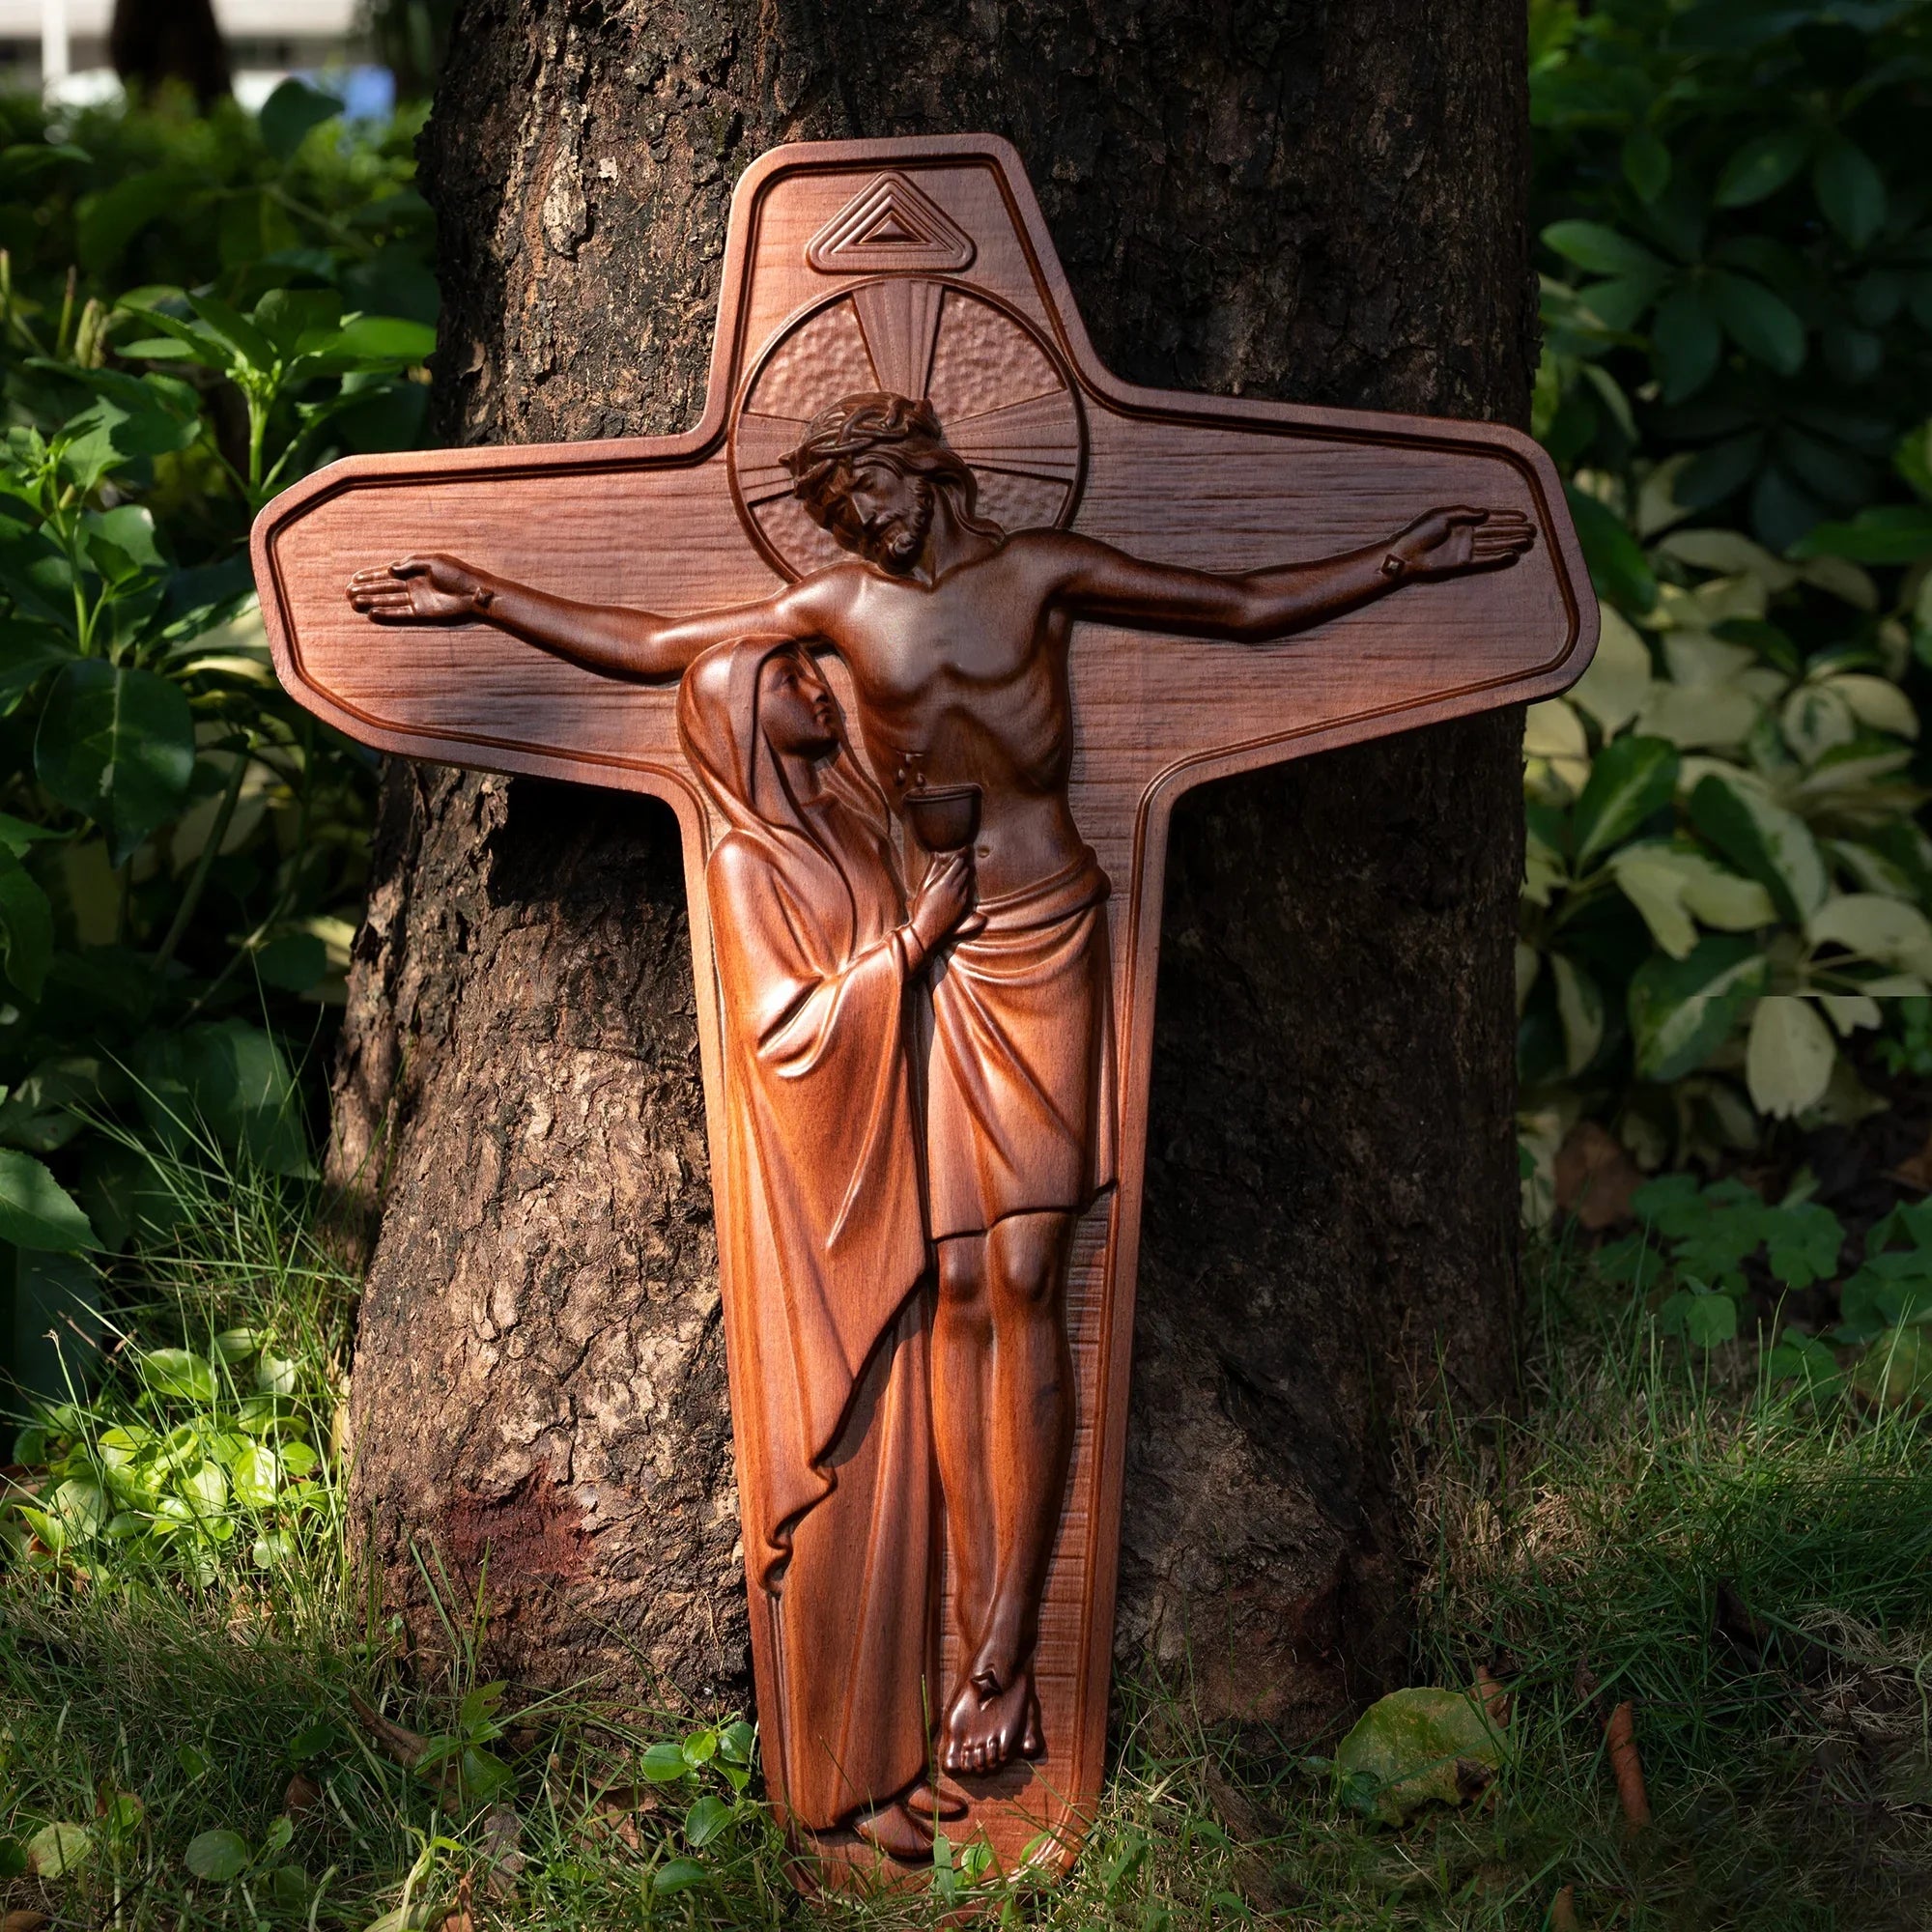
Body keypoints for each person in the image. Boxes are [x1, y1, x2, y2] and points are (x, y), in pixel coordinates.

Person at [348, 389, 1535, 1776]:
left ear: (921, 470)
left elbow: (1244, 607)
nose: (858, 529)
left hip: (1046, 935)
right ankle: (964, 1645)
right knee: (957, 1287)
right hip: (935, 961)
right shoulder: (845, 607)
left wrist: (1403, 560)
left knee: (1027, 1282)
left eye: (869, 501)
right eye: (842, 519)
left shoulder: (1042, 570)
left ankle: (1003, 1650)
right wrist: (484, 596)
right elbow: (660, 645)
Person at [675, 636, 973, 1858]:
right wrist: (909, 946)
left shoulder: (846, 827)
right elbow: (782, 1028)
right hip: (814, 1223)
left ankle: (891, 1764)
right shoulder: (745, 859)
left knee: (904, 1490)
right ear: (743, 716)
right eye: (790, 677)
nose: (818, 686)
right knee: (842, 1485)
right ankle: (828, 1787)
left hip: (884, 1185)